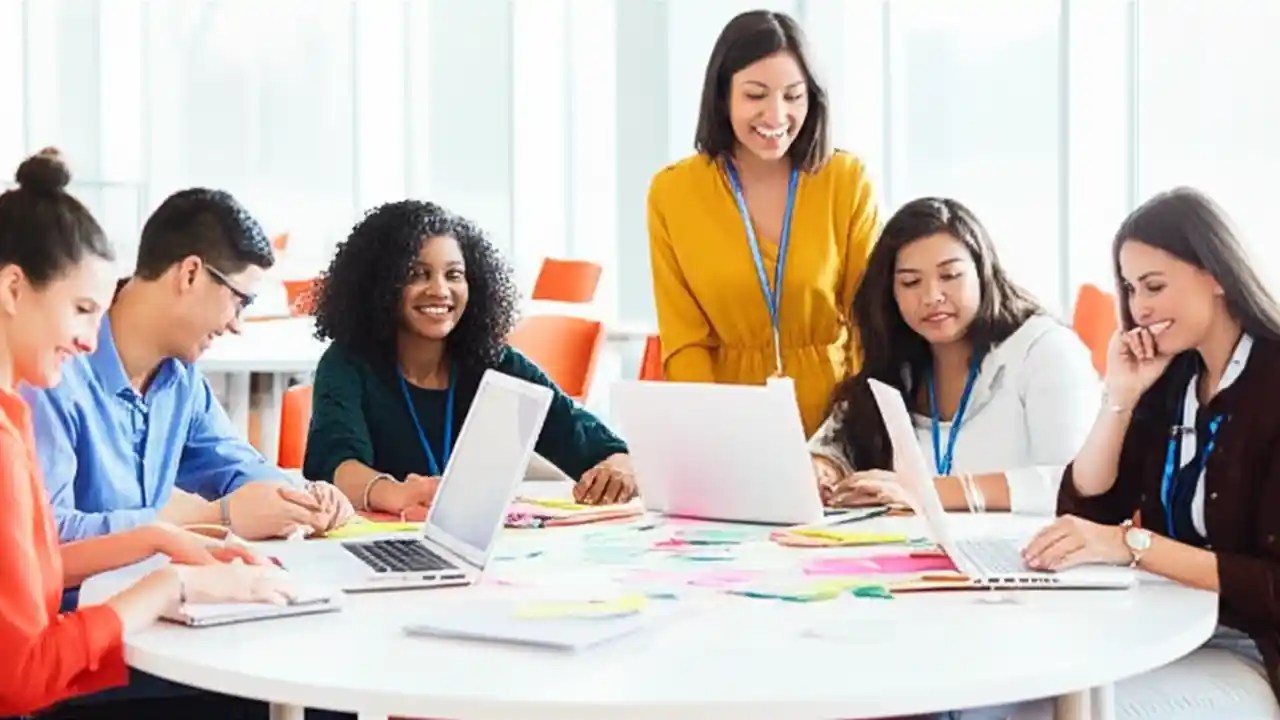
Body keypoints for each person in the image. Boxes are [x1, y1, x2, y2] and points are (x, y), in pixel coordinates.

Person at [960, 189, 1280, 719]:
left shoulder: (1271, 383)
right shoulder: (1174, 375)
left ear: (1217, 275)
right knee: (988, 700)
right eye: (1131, 290)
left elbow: (1271, 586)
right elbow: (1089, 509)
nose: (1139, 308)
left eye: (1154, 286)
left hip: (1251, 653)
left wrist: (1132, 545)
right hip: (1160, 632)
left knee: (1044, 713)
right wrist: (1120, 396)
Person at [0, 149, 297, 718]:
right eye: (82, 309)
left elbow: (38, 564)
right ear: (14, 290)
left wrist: (164, 541)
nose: (91, 340)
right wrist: (170, 584)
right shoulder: (21, 421)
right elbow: (22, 678)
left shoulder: (14, 416)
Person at [22, 187, 353, 545]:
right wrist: (213, 517)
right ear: (190, 274)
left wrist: (302, 500)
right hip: (92, 583)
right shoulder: (54, 371)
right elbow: (48, 537)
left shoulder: (179, 378)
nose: (236, 324)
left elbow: (235, 464)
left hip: (159, 575)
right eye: (239, 301)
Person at [303, 200, 634, 513]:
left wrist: (619, 465)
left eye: (453, 275)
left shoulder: (494, 362)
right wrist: (398, 494)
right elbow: (335, 466)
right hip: (383, 541)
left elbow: (586, 438)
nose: (440, 290)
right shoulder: (347, 363)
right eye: (417, 274)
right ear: (379, 285)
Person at [646, 9, 879, 436]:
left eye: (793, 96)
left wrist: (849, 434)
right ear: (722, 96)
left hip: (835, 426)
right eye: (756, 95)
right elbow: (684, 343)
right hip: (727, 426)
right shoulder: (673, 193)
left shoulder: (845, 181)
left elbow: (870, 324)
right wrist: (719, 436)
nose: (776, 115)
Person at [807, 198, 1098, 515]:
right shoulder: (897, 361)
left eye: (950, 275)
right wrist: (823, 470)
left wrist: (924, 492)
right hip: (912, 544)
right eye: (911, 282)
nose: (932, 296)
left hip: (1022, 545)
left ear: (982, 272)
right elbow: (831, 449)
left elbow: (1073, 484)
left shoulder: (1044, 350)